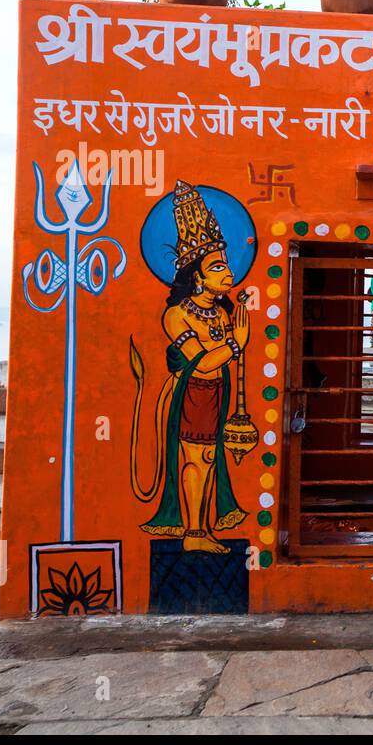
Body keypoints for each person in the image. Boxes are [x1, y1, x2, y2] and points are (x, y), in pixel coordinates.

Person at [130, 181, 248, 554]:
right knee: (196, 458)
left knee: (209, 457)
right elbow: (199, 363)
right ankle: (194, 531)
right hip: (192, 393)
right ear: (197, 276)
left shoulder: (221, 312)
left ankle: (201, 528)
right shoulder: (176, 315)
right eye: (217, 267)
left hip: (216, 393)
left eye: (225, 264)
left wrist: (232, 342)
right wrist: (235, 344)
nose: (226, 272)